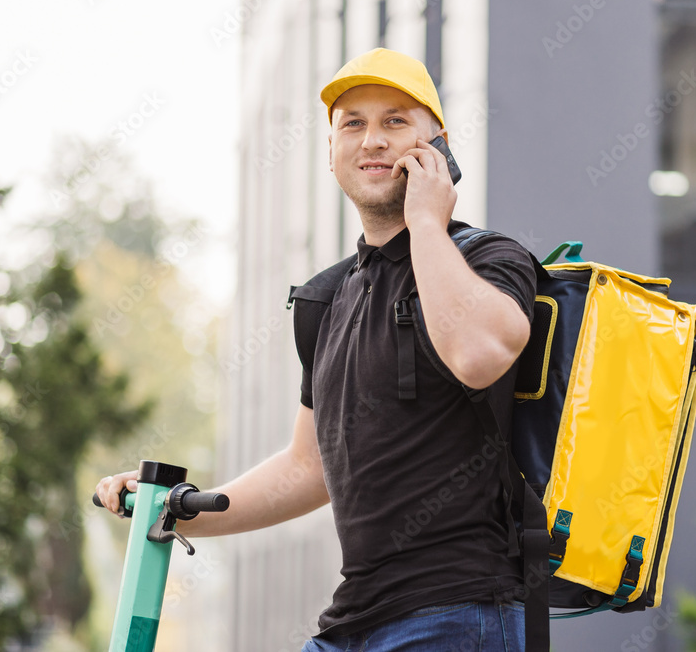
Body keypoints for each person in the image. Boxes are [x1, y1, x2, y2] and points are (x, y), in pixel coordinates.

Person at [97, 47, 538, 651]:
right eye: (352, 124)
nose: (372, 140)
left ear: (437, 148)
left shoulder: (489, 259)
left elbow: (479, 354)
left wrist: (428, 223)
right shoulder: (328, 300)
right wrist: (174, 509)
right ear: (332, 154)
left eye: (395, 121)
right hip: (355, 621)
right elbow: (309, 468)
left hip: (459, 614)